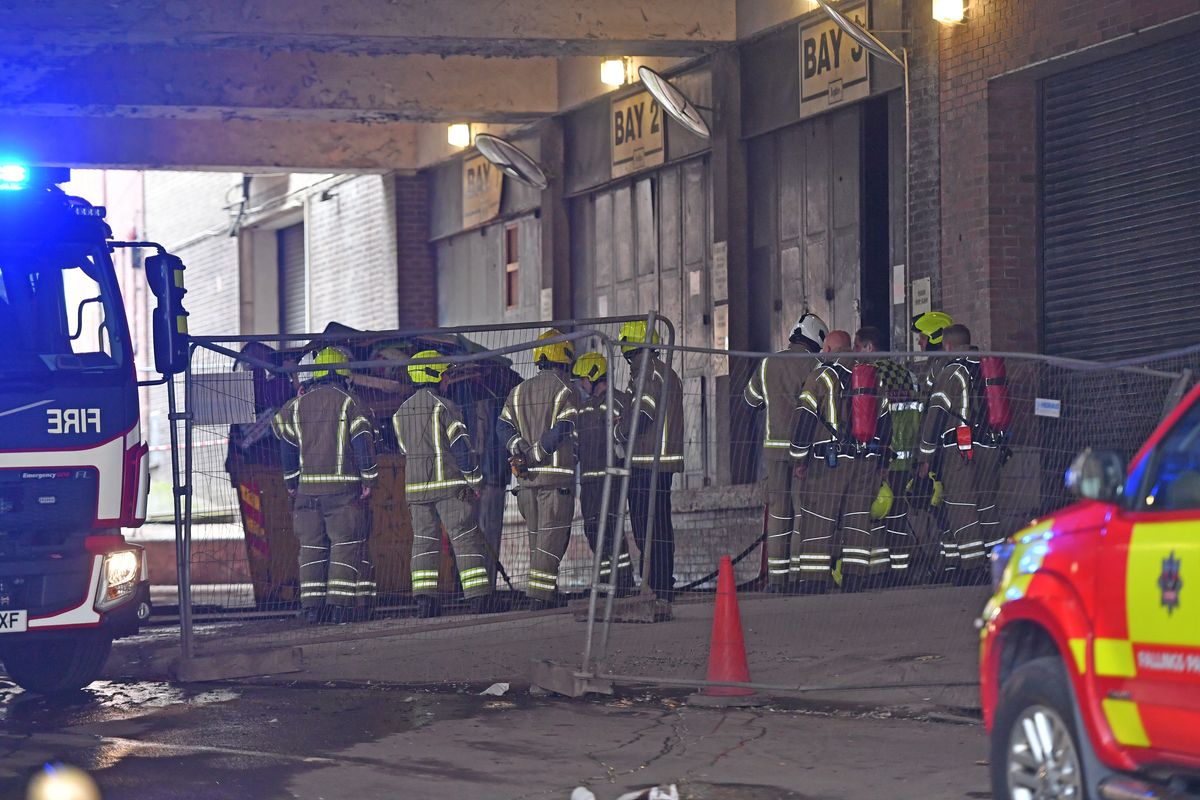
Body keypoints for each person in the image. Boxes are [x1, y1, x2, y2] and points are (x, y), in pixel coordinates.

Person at [273, 346, 378, 624]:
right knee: (345, 544)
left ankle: (311, 608)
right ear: (343, 372)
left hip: (306, 492)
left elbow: (286, 447)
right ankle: (340, 607)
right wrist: (369, 479)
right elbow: (363, 445)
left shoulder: (294, 407)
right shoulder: (350, 403)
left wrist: (291, 482)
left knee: (311, 548)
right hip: (343, 492)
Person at [393, 350, 493, 618]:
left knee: (423, 542)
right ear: (434, 375)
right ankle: (479, 600)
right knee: (464, 538)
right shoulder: (445, 406)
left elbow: (404, 448)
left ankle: (426, 603)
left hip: (415, 491)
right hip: (449, 486)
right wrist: (474, 479)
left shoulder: (400, 413)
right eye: (445, 373)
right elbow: (462, 447)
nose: (448, 379)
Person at [789, 330, 890, 593]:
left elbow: (805, 419)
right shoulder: (873, 377)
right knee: (858, 519)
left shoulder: (821, 377)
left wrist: (798, 458)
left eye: (825, 348)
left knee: (818, 519)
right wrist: (881, 460)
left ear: (832, 350)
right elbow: (886, 421)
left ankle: (813, 581)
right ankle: (855, 579)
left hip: (828, 463)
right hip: (866, 459)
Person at [744, 312, 827, 591]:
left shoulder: (768, 363)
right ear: (816, 340)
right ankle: (802, 578)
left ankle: (778, 580)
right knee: (803, 512)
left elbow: (751, 399)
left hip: (774, 451)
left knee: (779, 514)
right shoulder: (816, 366)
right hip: (805, 451)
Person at [496, 329, 578, 610]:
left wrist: (518, 446)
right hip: (555, 479)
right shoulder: (566, 389)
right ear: (564, 358)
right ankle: (539, 597)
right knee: (552, 538)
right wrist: (537, 453)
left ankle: (547, 591)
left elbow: (501, 427)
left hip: (526, 482)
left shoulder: (517, 391)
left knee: (537, 538)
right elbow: (565, 427)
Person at [916, 324, 1004, 585]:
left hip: (961, 448)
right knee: (987, 506)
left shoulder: (950, 371)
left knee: (961, 507)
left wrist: (924, 456)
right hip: (991, 445)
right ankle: (997, 562)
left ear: (948, 346)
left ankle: (972, 566)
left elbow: (935, 416)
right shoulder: (987, 367)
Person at [616, 320, 685, 602]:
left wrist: (619, 432)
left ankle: (655, 585)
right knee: (659, 524)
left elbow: (643, 412)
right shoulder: (663, 371)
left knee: (647, 526)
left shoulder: (646, 372)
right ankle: (661, 583)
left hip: (646, 461)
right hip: (661, 460)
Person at [853, 326, 921, 584]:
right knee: (899, 518)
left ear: (870, 347)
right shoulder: (909, 375)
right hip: (909, 459)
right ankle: (902, 574)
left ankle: (881, 575)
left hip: (881, 459)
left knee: (877, 518)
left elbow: (873, 420)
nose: (856, 354)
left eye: (858, 347)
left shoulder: (869, 375)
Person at [573, 351, 633, 593]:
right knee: (594, 531)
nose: (580, 384)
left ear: (593, 375)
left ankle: (623, 580)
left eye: (582, 379)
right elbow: (575, 446)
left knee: (611, 531)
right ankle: (607, 582)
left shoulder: (618, 402)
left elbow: (628, 435)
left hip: (613, 479)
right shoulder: (583, 409)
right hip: (589, 483)